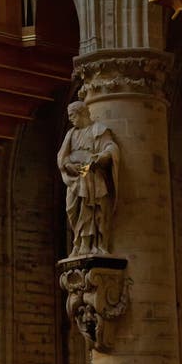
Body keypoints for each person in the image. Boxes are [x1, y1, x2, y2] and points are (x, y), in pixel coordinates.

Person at [57, 100, 119, 256]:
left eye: (72, 115)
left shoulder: (98, 130)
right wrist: (69, 165)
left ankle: (89, 244)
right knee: (72, 209)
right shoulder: (71, 134)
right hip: (75, 175)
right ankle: (78, 242)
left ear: (82, 113)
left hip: (90, 173)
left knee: (91, 207)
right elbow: (62, 157)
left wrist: (100, 157)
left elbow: (110, 148)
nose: (70, 119)